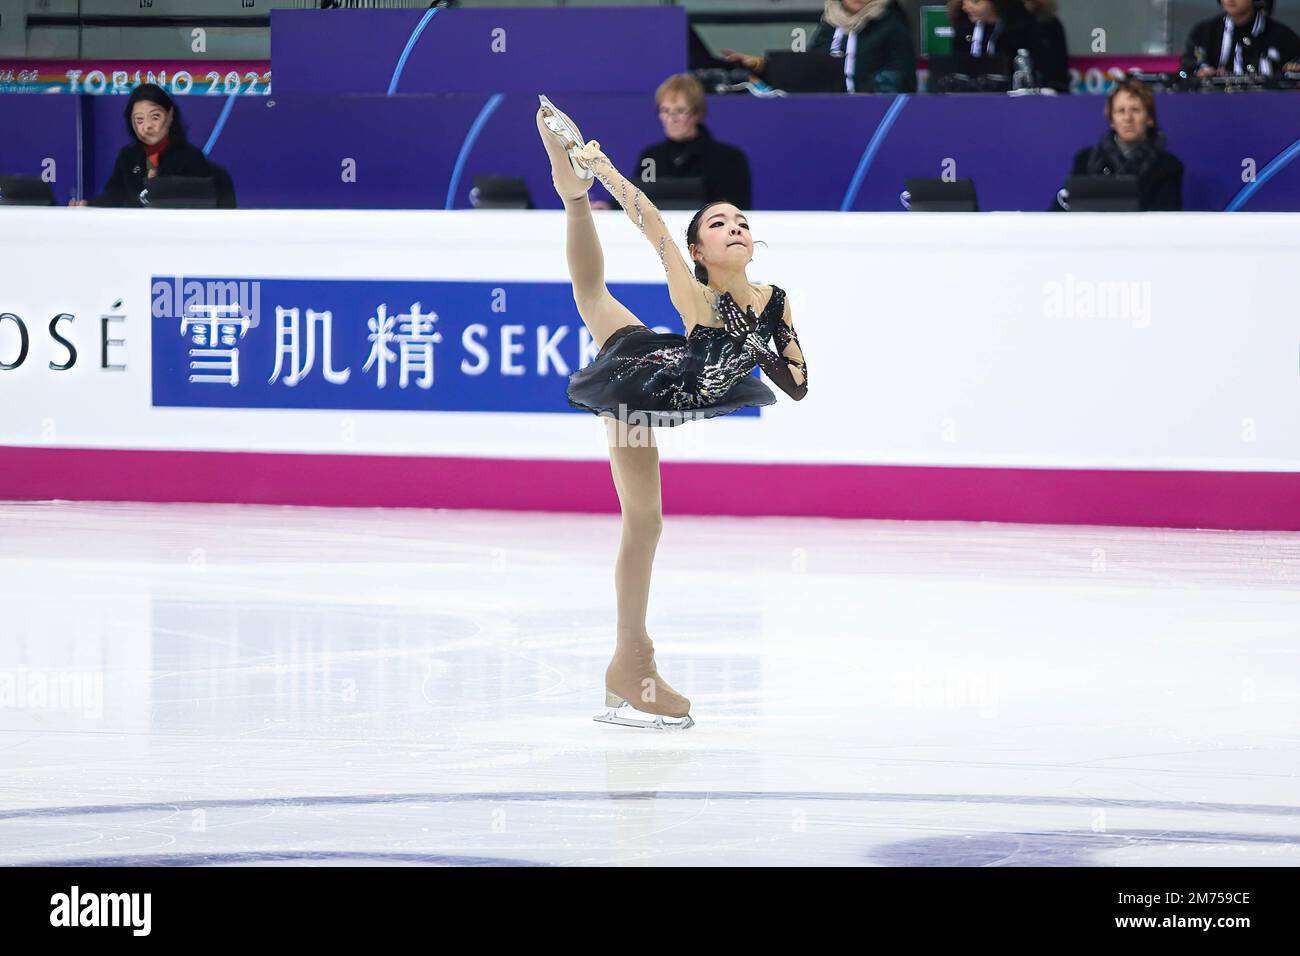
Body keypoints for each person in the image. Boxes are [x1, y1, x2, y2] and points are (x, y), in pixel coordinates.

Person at [535, 95, 808, 731]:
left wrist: (768, 346)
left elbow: (796, 384)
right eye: (718, 224)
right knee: (647, 522)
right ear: (698, 250)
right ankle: (633, 660)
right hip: (643, 383)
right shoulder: (693, 290)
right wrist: (600, 171)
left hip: (681, 366)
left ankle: (569, 190)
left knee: (597, 303)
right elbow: (653, 222)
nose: (735, 226)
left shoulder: (775, 300)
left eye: (741, 220)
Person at [721, 0, 917, 94]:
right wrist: (758, 66)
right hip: (827, 116)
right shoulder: (829, 25)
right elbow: (810, 72)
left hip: (871, 119)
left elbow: (900, 78)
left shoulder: (893, 25)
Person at [69, 83, 214, 208]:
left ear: (170, 115)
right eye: (139, 120)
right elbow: (113, 197)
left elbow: (200, 204)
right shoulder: (128, 157)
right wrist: (88, 207)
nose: (147, 126)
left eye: (155, 117)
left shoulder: (191, 158)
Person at [1053, 79, 1183, 211]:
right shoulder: (1086, 160)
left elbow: (1166, 221)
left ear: (1149, 118)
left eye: (1135, 110)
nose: (1127, 118)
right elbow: (1060, 212)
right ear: (1111, 120)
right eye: (1121, 111)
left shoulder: (1168, 166)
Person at [1185, 0, 1300, 78]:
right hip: (1215, 105)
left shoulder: (1281, 35)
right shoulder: (1203, 32)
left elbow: (1295, 62)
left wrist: (1293, 68)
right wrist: (1203, 72)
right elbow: (1192, 62)